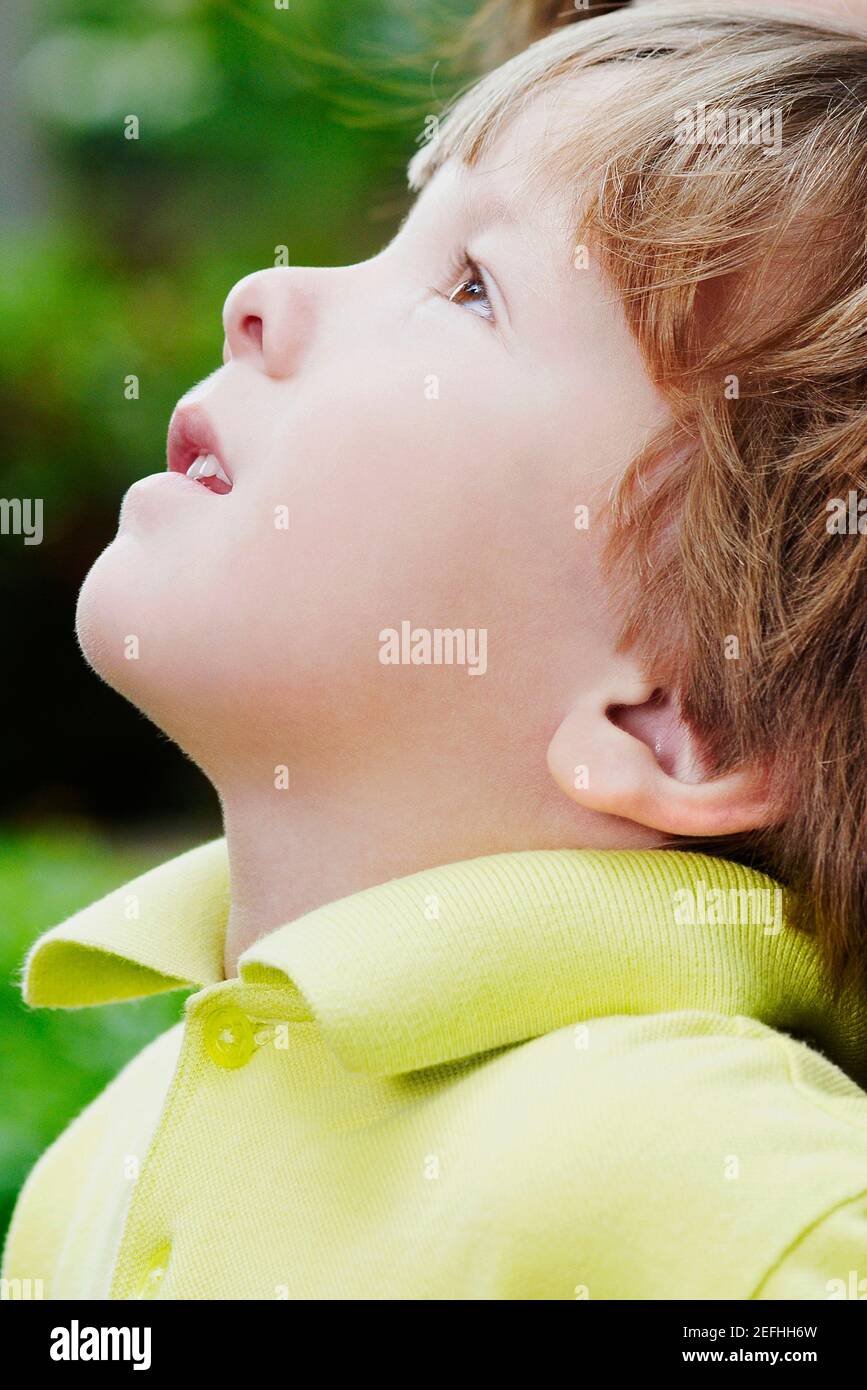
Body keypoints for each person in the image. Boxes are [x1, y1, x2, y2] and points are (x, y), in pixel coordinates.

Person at [4, 1, 867, 1299]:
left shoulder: (722, 1188)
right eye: (398, 237)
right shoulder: (105, 1153)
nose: (264, 294)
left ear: (675, 727)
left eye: (471, 290)